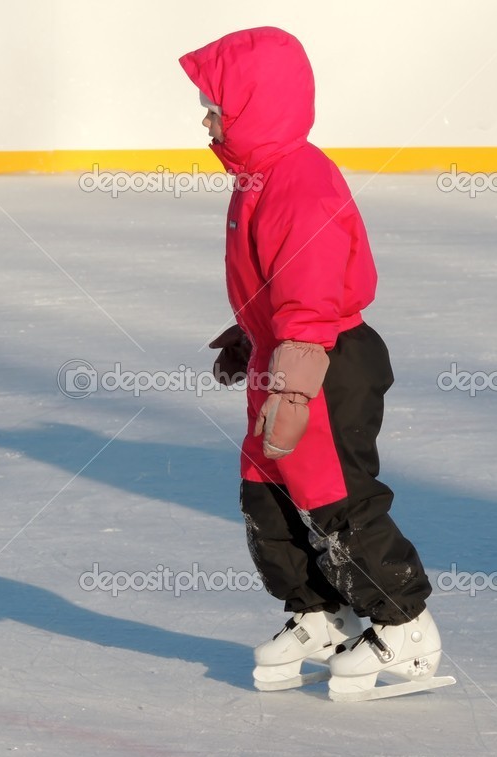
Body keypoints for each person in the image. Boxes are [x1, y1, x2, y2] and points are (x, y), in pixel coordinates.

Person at [180, 27, 448, 699]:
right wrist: (249, 339)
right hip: (288, 355)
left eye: (216, 104)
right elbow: (278, 287)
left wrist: (294, 389)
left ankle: (405, 623)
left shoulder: (298, 180)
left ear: (254, 105)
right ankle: (316, 616)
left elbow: (312, 286)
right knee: (265, 490)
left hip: (326, 362)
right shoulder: (257, 175)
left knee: (335, 498)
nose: (205, 117)